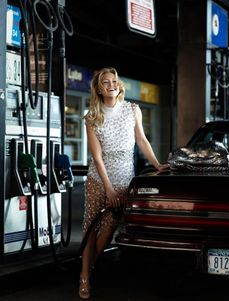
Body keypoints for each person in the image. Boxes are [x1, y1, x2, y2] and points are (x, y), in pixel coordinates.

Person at [79, 67, 169, 299]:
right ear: (99, 88)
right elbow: (97, 157)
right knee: (90, 229)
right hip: (98, 179)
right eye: (106, 82)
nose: (112, 84)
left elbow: (141, 139)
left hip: (124, 179)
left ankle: (88, 267)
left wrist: (158, 164)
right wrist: (107, 187)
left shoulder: (132, 109)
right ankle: (84, 278)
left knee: (108, 231)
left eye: (115, 81)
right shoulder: (92, 117)